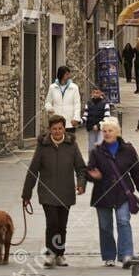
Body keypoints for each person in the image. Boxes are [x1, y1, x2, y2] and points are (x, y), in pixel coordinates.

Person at [22, 113, 88, 266]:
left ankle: (60, 254)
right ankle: (50, 253)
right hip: (47, 192)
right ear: (49, 130)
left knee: (62, 225)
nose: (57, 131)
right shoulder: (42, 146)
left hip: (66, 192)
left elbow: (80, 167)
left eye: (60, 128)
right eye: (54, 129)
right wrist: (26, 194)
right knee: (52, 223)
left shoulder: (72, 145)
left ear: (64, 128)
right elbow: (33, 170)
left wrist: (81, 183)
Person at [87, 116, 139, 267]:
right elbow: (88, 170)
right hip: (102, 193)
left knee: (123, 221)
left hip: (123, 192)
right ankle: (109, 256)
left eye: (110, 131)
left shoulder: (128, 149)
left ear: (117, 132)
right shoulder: (96, 151)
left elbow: (137, 171)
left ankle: (126, 254)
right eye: (105, 131)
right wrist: (93, 176)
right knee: (105, 226)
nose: (107, 133)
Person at [43, 64, 82, 132]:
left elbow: (77, 104)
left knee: (69, 140)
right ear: (61, 74)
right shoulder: (52, 87)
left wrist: (76, 118)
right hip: (56, 120)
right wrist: (49, 108)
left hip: (70, 121)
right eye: (67, 74)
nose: (69, 76)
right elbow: (48, 102)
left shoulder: (74, 87)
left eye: (69, 74)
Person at [84, 85, 111, 154]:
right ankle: (92, 163)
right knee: (91, 149)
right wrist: (79, 121)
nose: (95, 94)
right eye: (94, 93)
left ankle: (101, 163)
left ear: (101, 93)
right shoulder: (88, 103)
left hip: (101, 129)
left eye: (97, 93)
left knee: (100, 146)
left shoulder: (105, 103)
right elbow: (85, 116)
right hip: (91, 128)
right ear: (91, 94)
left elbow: (107, 117)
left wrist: (98, 125)